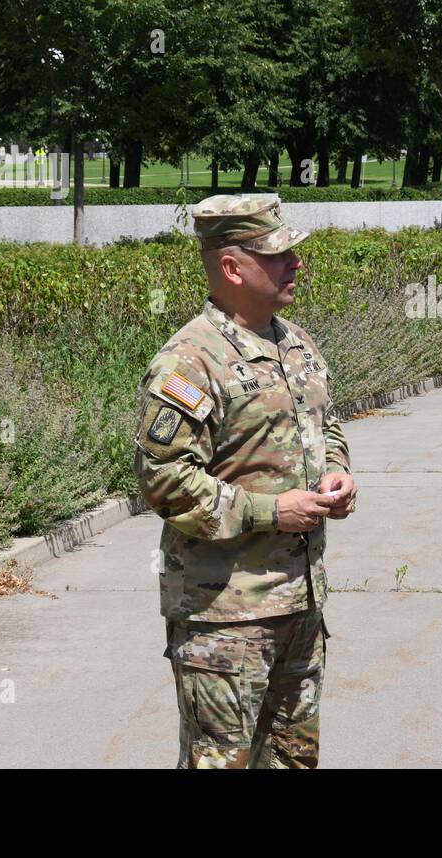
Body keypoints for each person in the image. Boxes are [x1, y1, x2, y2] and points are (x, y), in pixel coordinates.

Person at [135, 194, 356, 769]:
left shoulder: (296, 343)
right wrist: (271, 512)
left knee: (292, 761)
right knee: (222, 763)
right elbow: (165, 482)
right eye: (278, 255)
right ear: (232, 267)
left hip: (300, 602)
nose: (295, 264)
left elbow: (327, 424)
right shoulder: (190, 361)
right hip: (225, 616)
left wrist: (338, 470)